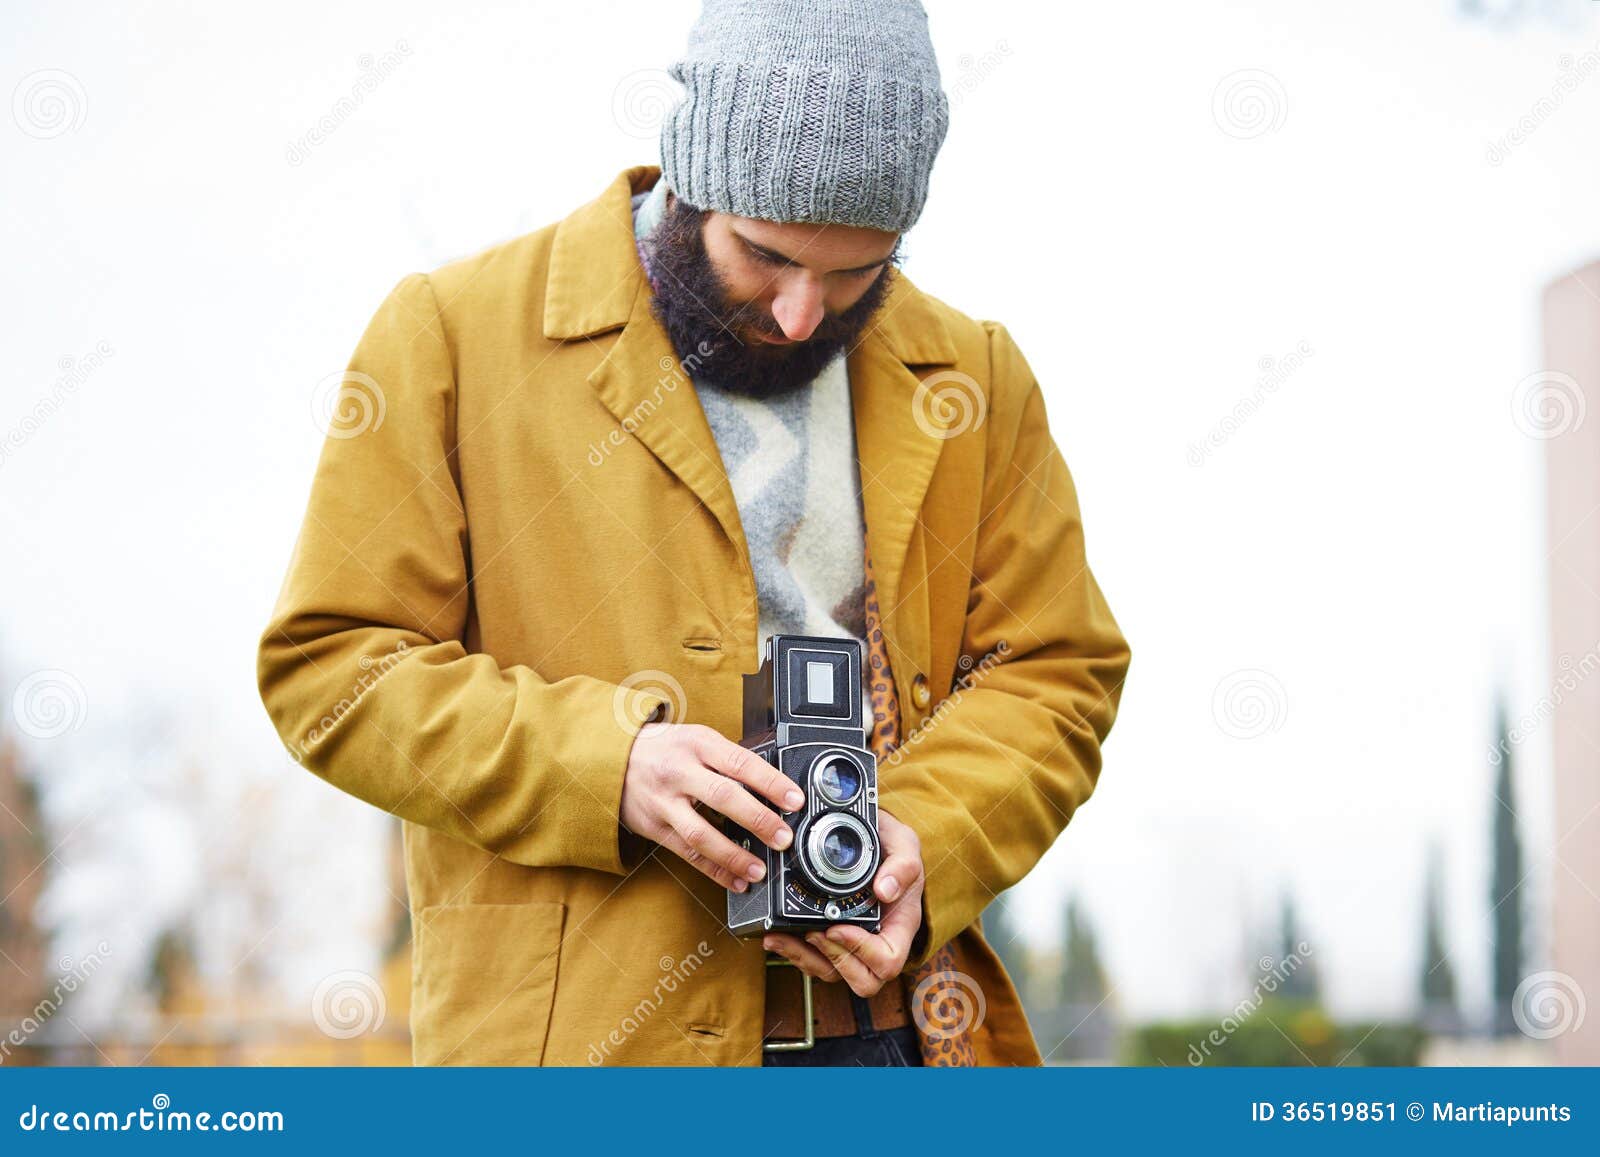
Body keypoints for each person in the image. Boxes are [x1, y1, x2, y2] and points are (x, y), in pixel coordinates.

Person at [256, 0, 1131, 1067]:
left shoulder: (974, 376)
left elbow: (1054, 668)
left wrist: (924, 836)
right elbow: (333, 667)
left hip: (900, 1042)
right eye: (765, 256)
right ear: (689, 178)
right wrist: (607, 765)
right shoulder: (450, 335)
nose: (805, 313)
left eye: (858, 272)